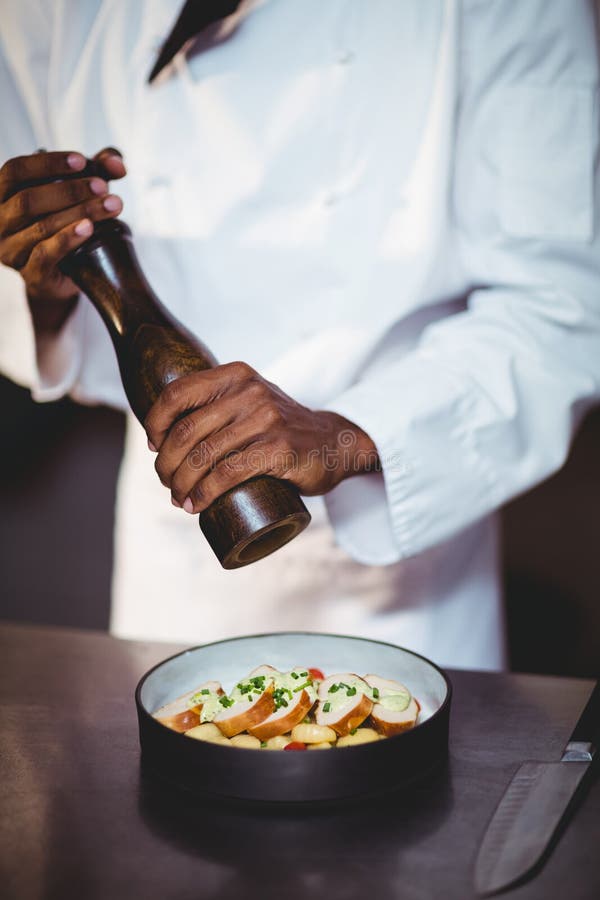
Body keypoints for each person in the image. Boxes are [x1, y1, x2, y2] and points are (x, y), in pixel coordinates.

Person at [1, 0, 599, 670]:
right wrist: (47, 293)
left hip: (405, 574)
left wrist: (350, 435)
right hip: (176, 560)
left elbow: (563, 305)